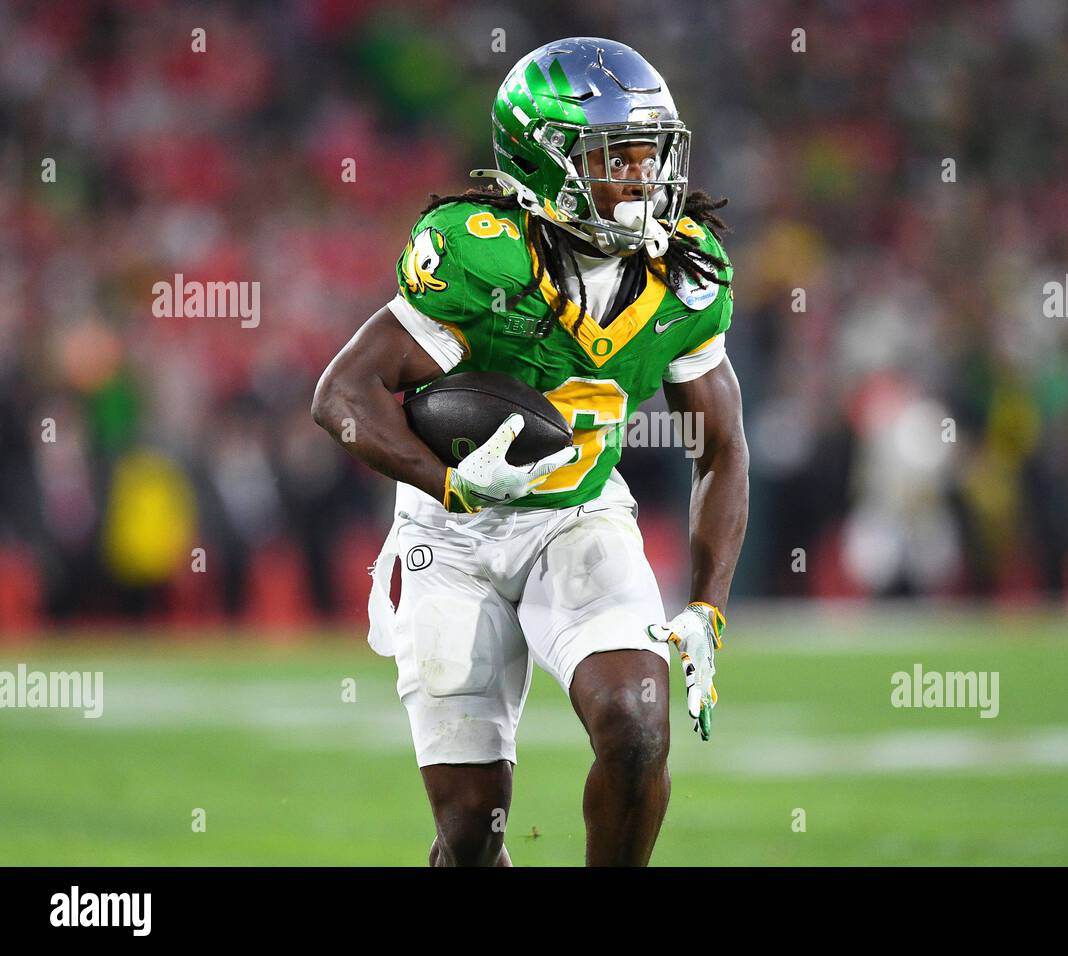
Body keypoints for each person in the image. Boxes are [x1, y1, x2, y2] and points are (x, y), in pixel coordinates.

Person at [312, 37, 749, 866]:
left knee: (637, 721)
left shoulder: (686, 273)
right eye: (617, 154)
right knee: (472, 833)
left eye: (652, 153)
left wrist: (708, 604)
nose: (646, 177)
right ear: (544, 162)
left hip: (577, 516)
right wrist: (450, 482)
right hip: (452, 534)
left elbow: (722, 448)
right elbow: (341, 396)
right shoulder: (482, 253)